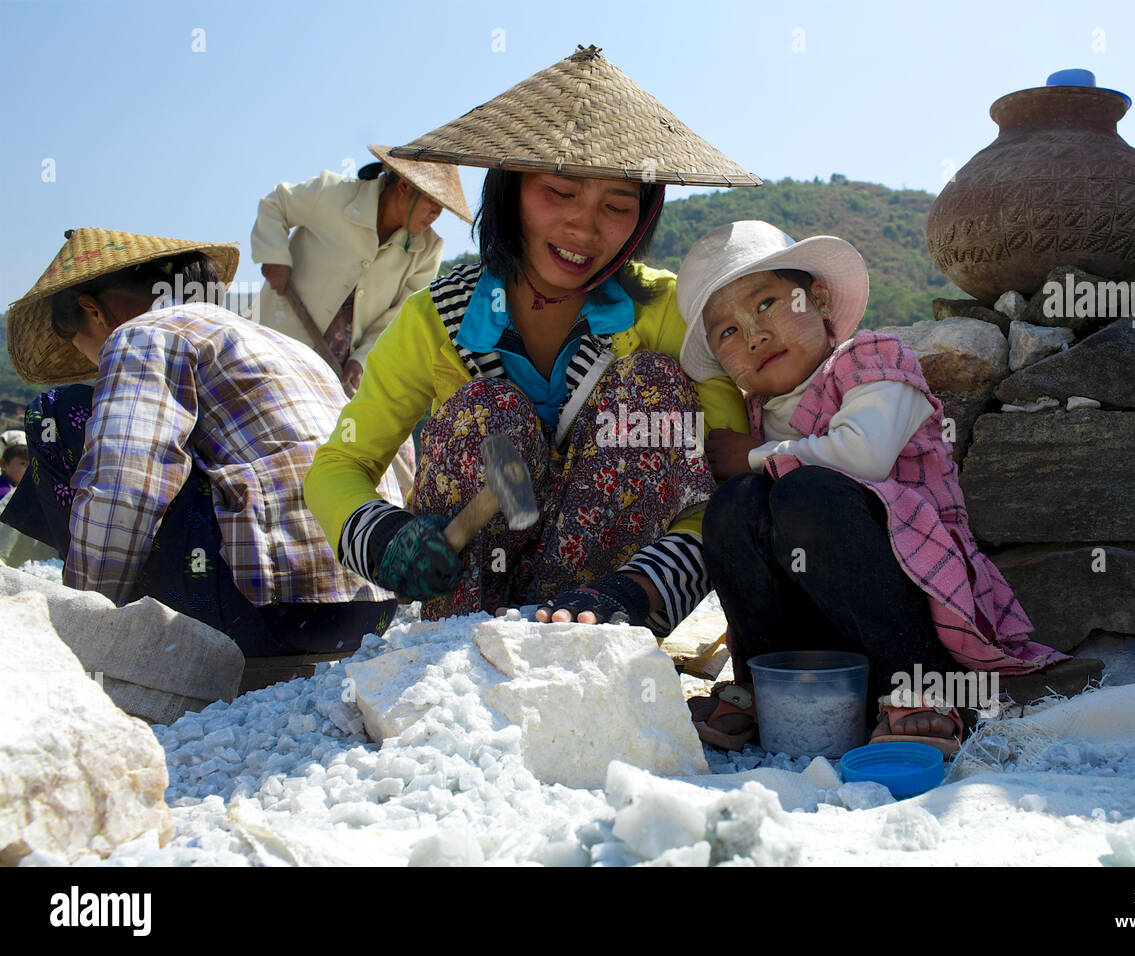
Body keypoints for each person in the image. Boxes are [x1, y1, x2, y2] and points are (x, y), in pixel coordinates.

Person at [305, 46, 762, 636]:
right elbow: (340, 464)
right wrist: (386, 537)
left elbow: (729, 485)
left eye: (617, 205)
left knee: (651, 388)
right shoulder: (434, 320)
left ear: (643, 218)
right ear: (511, 191)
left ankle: (598, 610)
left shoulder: (672, 314)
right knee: (487, 411)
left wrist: (639, 590)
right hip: (466, 625)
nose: (584, 227)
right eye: (561, 192)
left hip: (603, 614)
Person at [675, 221, 1071, 752]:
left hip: (908, 598)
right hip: (824, 625)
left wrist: (751, 457)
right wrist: (747, 469)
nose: (754, 335)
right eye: (728, 333)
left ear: (818, 298)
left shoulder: (873, 362)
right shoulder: (759, 413)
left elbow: (862, 455)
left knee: (806, 493)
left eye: (767, 303)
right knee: (734, 505)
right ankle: (770, 681)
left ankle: (920, 686)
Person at [2, 227, 402, 656]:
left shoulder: (141, 334)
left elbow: (126, 480)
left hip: (270, 612)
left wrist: (90, 625)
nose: (91, 363)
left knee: (58, 410)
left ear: (92, 312)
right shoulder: (288, 347)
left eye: (81, 346)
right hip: (370, 605)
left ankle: (111, 619)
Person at [251, 145, 472, 394]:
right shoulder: (332, 194)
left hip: (336, 374)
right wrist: (275, 256)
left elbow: (400, 316)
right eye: (433, 202)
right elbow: (276, 204)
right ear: (403, 187)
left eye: (442, 207)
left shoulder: (428, 249)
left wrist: (362, 359)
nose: (436, 214)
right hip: (275, 344)